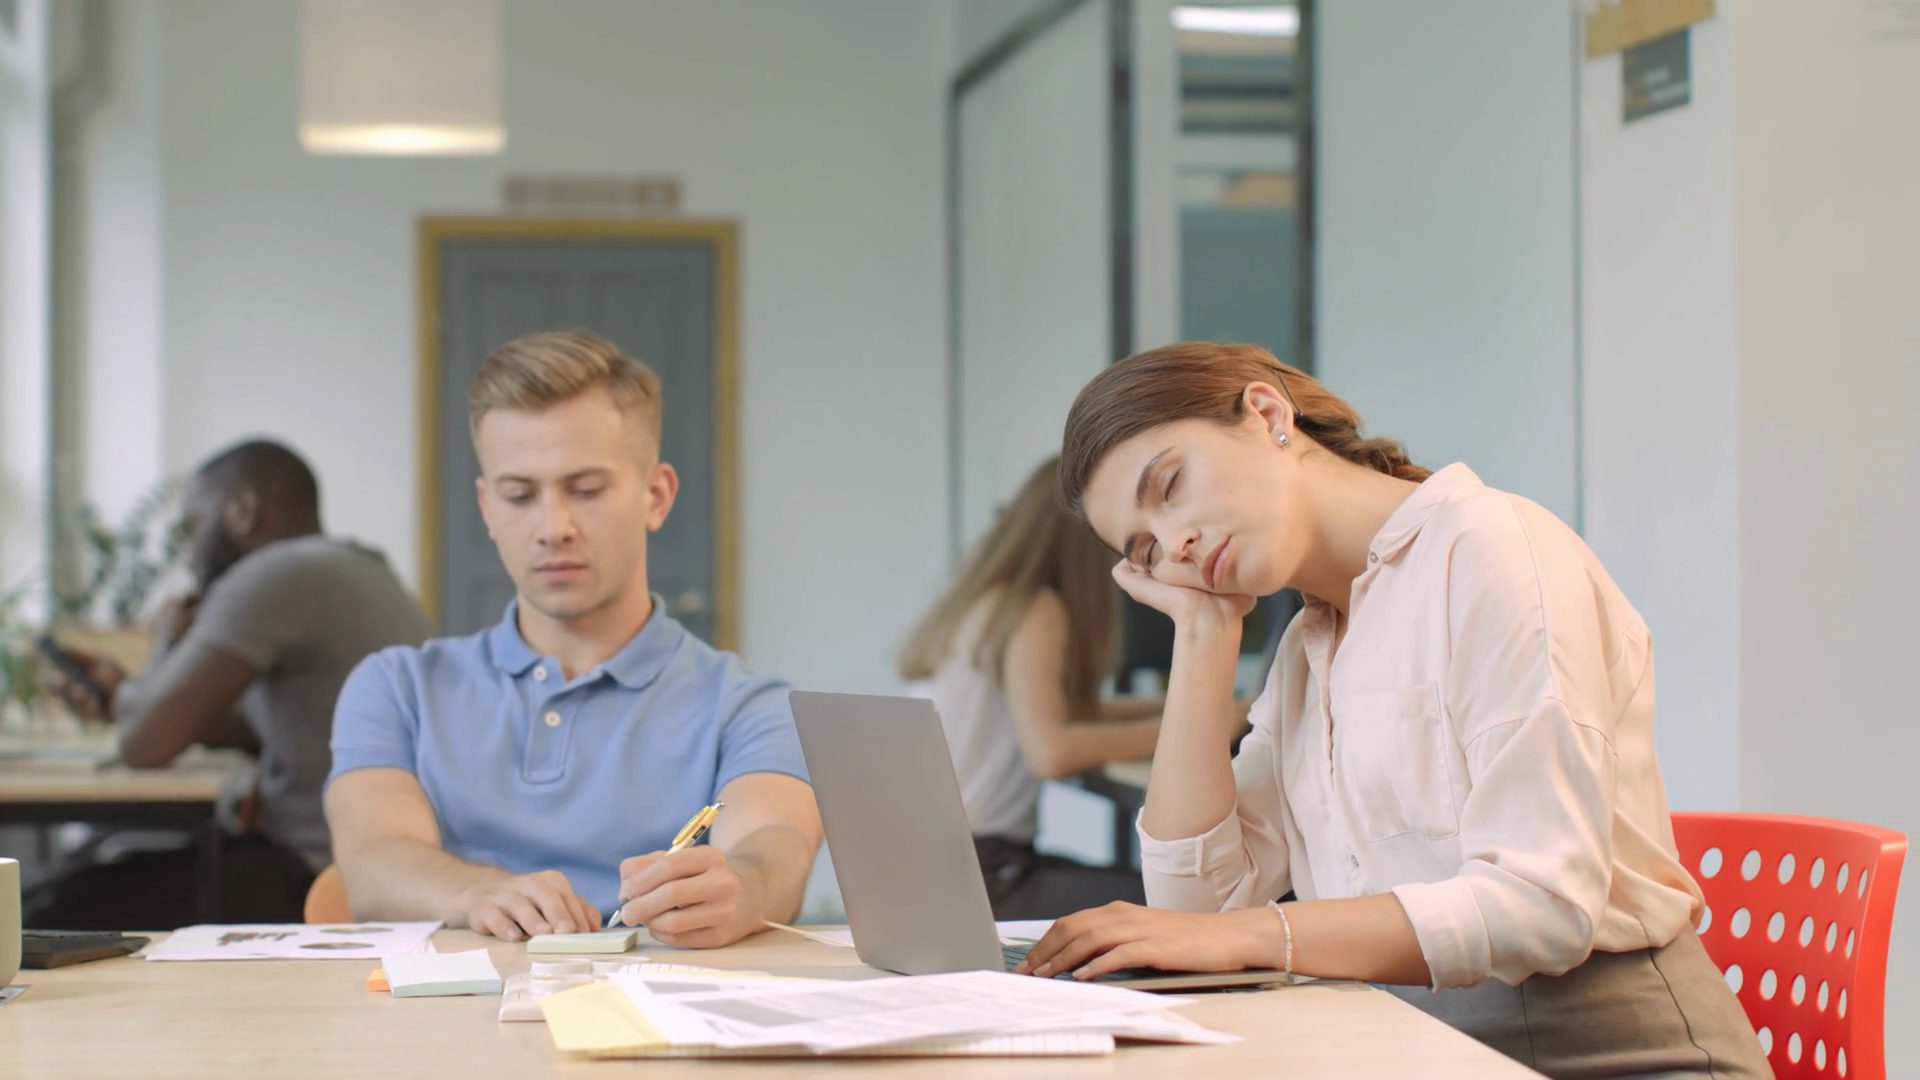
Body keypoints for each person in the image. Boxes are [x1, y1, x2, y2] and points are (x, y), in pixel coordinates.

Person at [1016, 344, 1767, 1079]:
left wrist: (1254, 936)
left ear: (1267, 413)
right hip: (1408, 1039)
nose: (1175, 544)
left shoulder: (1491, 553)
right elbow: (1195, 908)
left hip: (1601, 1052)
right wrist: (1204, 634)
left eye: (1172, 484)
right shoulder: (1310, 645)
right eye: (1145, 551)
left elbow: (1543, 903)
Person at [325, 331, 821, 947]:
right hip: (447, 1024)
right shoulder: (394, 687)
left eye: (585, 491)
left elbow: (776, 848)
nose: (552, 528)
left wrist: (743, 887)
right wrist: (477, 893)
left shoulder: (752, 706)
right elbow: (373, 862)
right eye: (519, 495)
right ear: (486, 506)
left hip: (663, 1019)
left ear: (656, 496)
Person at [33, 440, 430, 928]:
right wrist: (119, 696)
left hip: (316, 877)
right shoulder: (356, 567)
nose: (189, 554)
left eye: (194, 526)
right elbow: (237, 726)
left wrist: (162, 643)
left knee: (45, 909)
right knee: (90, 877)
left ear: (242, 510)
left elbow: (145, 744)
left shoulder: (271, 575)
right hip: (370, 868)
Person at [898, 457, 1159, 919]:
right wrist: (1196, 729)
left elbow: (1060, 711)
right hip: (980, 876)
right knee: (1177, 902)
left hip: (930, 864)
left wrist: (1184, 706)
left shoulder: (989, 602)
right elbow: (1052, 750)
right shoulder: (1035, 612)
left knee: (1146, 891)